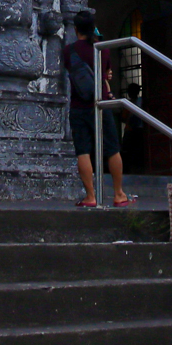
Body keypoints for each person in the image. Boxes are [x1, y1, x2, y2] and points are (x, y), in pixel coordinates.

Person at [62, 11, 129, 208]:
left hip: (78, 105)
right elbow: (106, 74)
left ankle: (90, 196)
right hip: (100, 104)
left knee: (82, 150)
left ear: (75, 29)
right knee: (112, 148)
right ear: (94, 28)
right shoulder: (103, 49)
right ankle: (118, 193)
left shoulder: (68, 51)